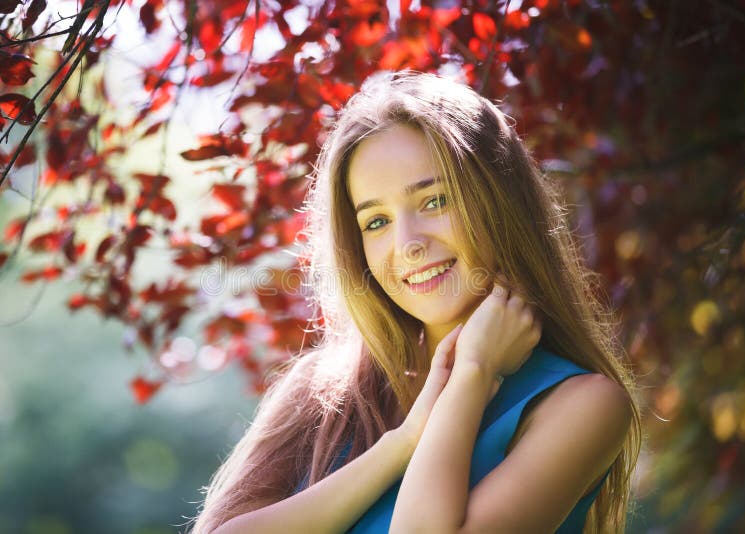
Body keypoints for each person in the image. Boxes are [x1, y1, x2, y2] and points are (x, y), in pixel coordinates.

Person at [190, 71, 642, 533]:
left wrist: (472, 376)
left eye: (434, 200)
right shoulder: (324, 394)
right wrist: (404, 441)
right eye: (377, 221)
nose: (406, 244)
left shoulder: (582, 405)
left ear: (500, 203)